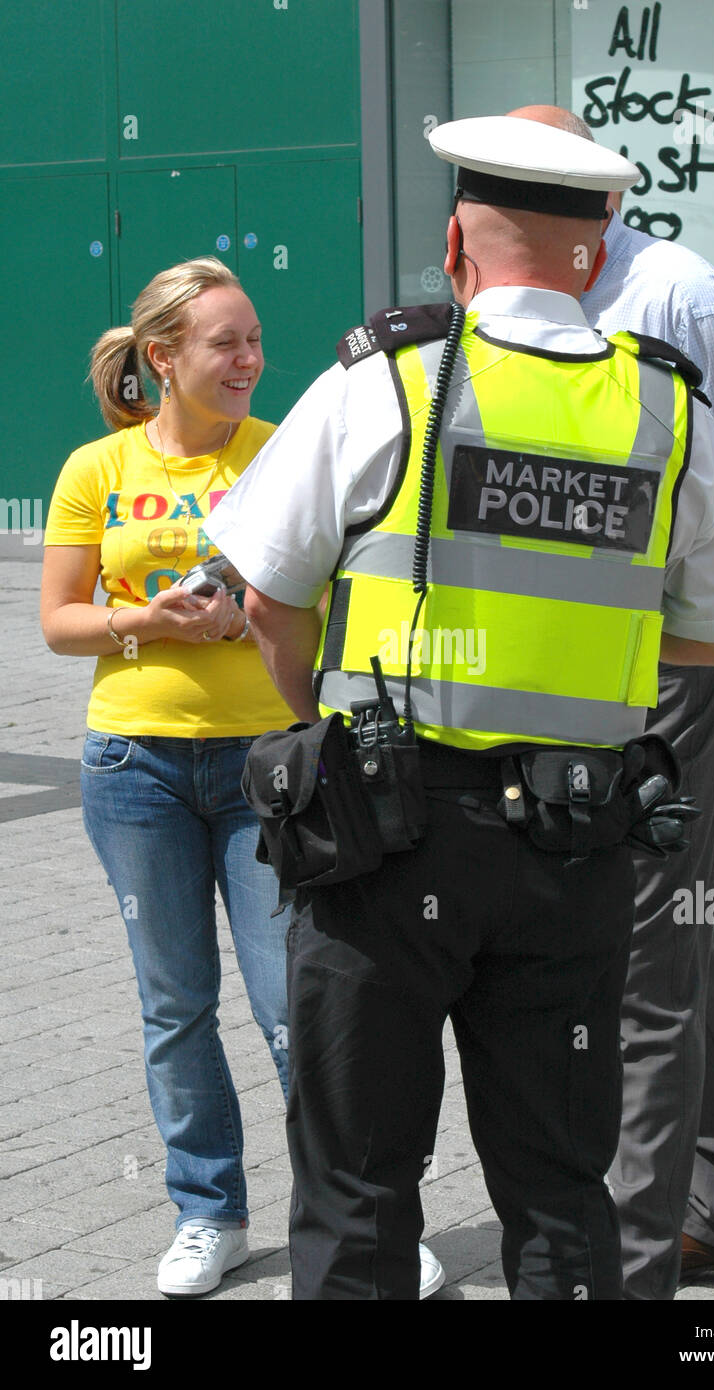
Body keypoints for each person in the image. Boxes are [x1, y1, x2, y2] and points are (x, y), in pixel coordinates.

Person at [206, 114, 714, 1300]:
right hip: (573, 847)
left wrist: (324, 713)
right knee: (562, 1195)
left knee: (358, 1194)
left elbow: (264, 594)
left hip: (382, 838)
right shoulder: (668, 412)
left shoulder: (385, 379)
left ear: (457, 245)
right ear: (597, 250)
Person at [511, 110, 714, 1299]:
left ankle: (630, 1267)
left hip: (672, 660)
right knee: (669, 926)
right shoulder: (516, 298)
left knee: (641, 939)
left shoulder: (677, 295)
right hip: (561, 665)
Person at [40, 258, 297, 1298]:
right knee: (177, 1004)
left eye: (253, 339)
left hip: (265, 767)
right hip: (133, 766)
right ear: (164, 357)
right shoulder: (94, 468)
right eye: (226, 343)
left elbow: (318, 595)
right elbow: (58, 621)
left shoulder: (279, 454)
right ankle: (208, 1211)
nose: (249, 361)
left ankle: (357, 1214)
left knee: (296, 1001)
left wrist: (251, 617)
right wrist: (144, 619)